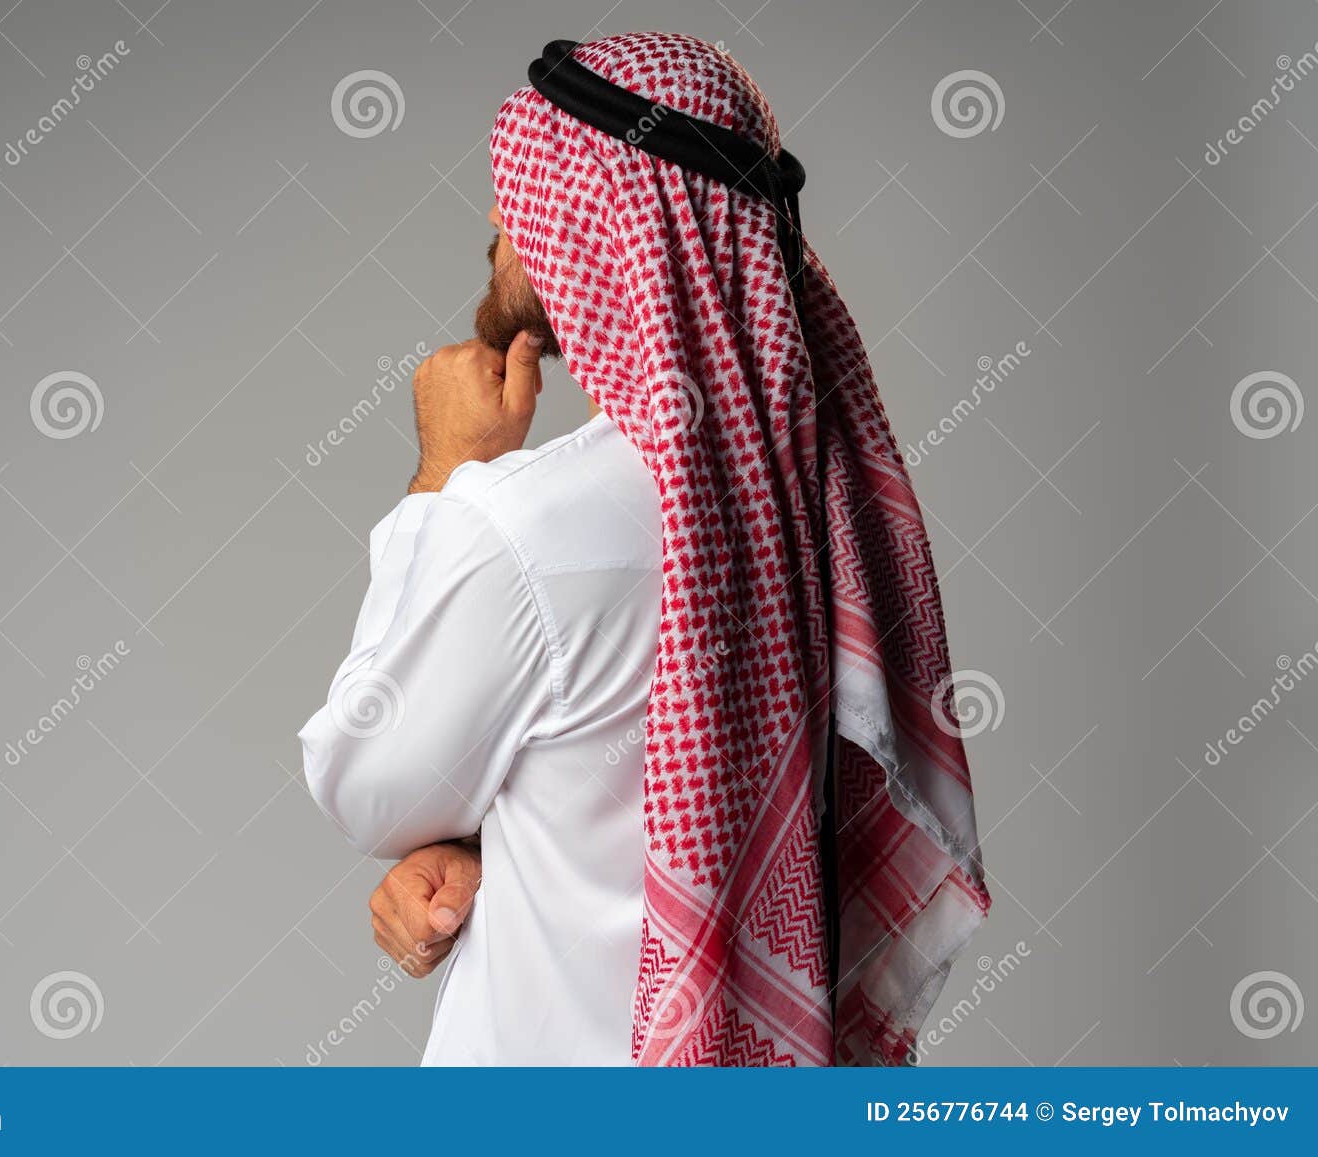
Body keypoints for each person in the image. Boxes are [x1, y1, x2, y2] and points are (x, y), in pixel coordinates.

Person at [299, 32, 989, 1067]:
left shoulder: (522, 525)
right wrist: (484, 840)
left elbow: (364, 782)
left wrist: (444, 472)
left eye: (519, 196)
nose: (497, 221)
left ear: (600, 225)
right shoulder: (830, 505)